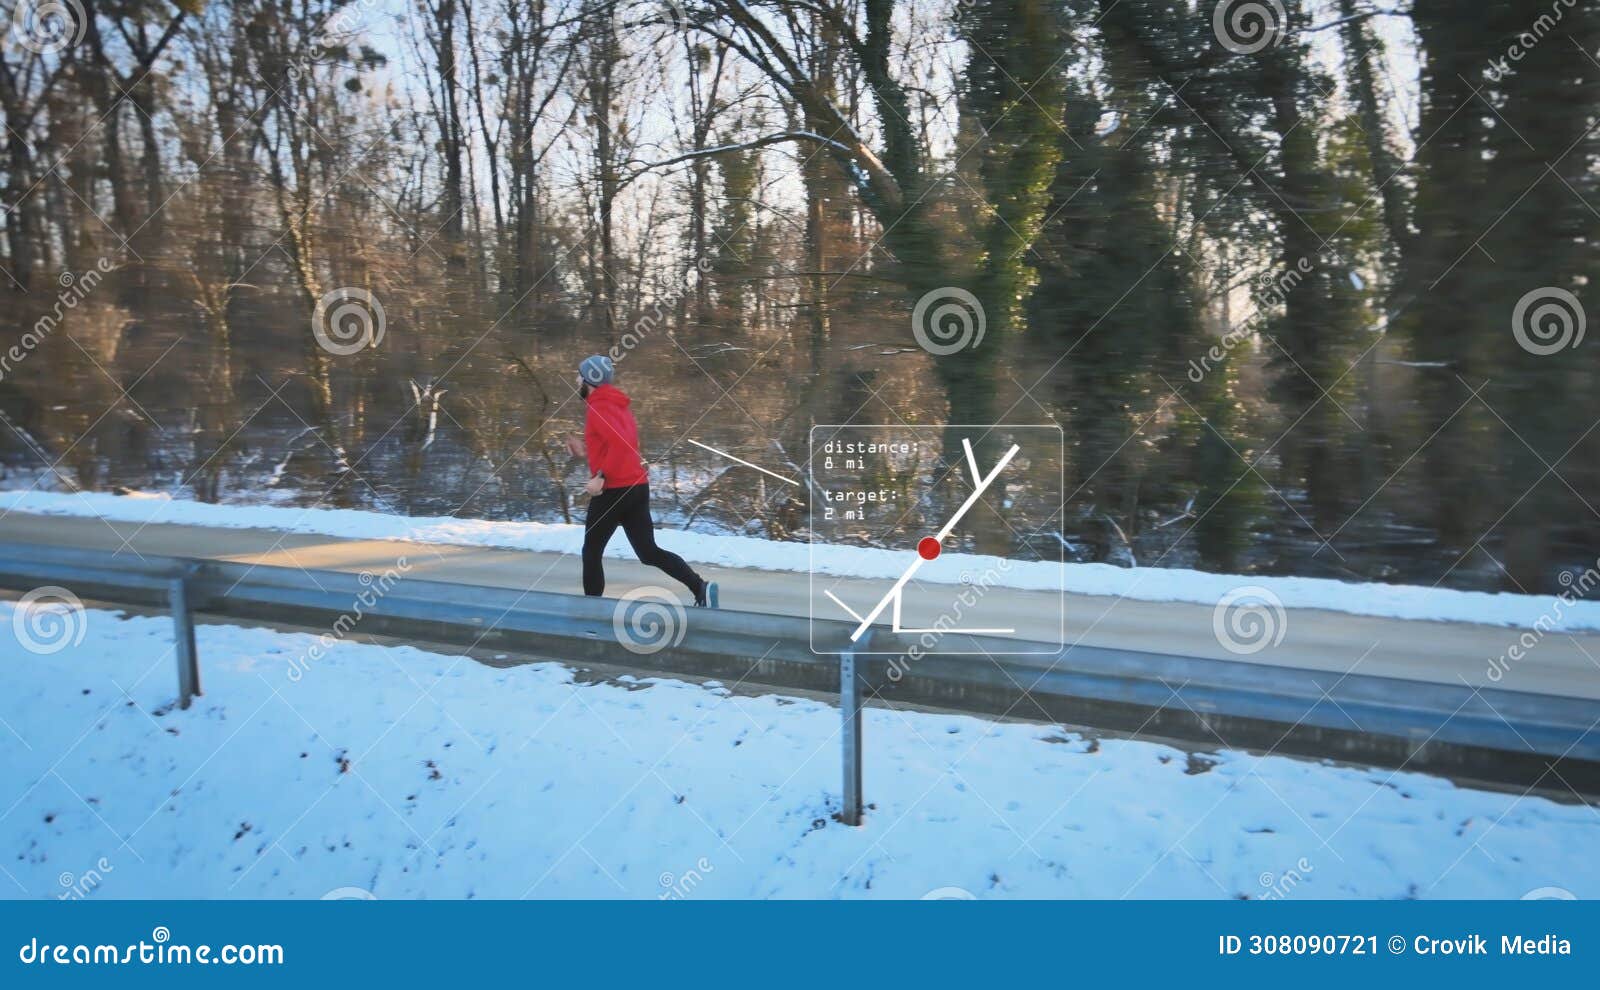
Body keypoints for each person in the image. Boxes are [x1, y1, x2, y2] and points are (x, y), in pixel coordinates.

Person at [565, 354, 715, 607]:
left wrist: (600, 477)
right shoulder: (616, 404)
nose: (576, 378)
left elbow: (621, 446)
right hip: (635, 488)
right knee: (648, 552)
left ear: (590, 379)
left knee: (591, 552)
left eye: (579, 374)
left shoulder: (598, 407)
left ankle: (592, 612)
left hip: (613, 491)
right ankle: (700, 587)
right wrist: (587, 452)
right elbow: (619, 444)